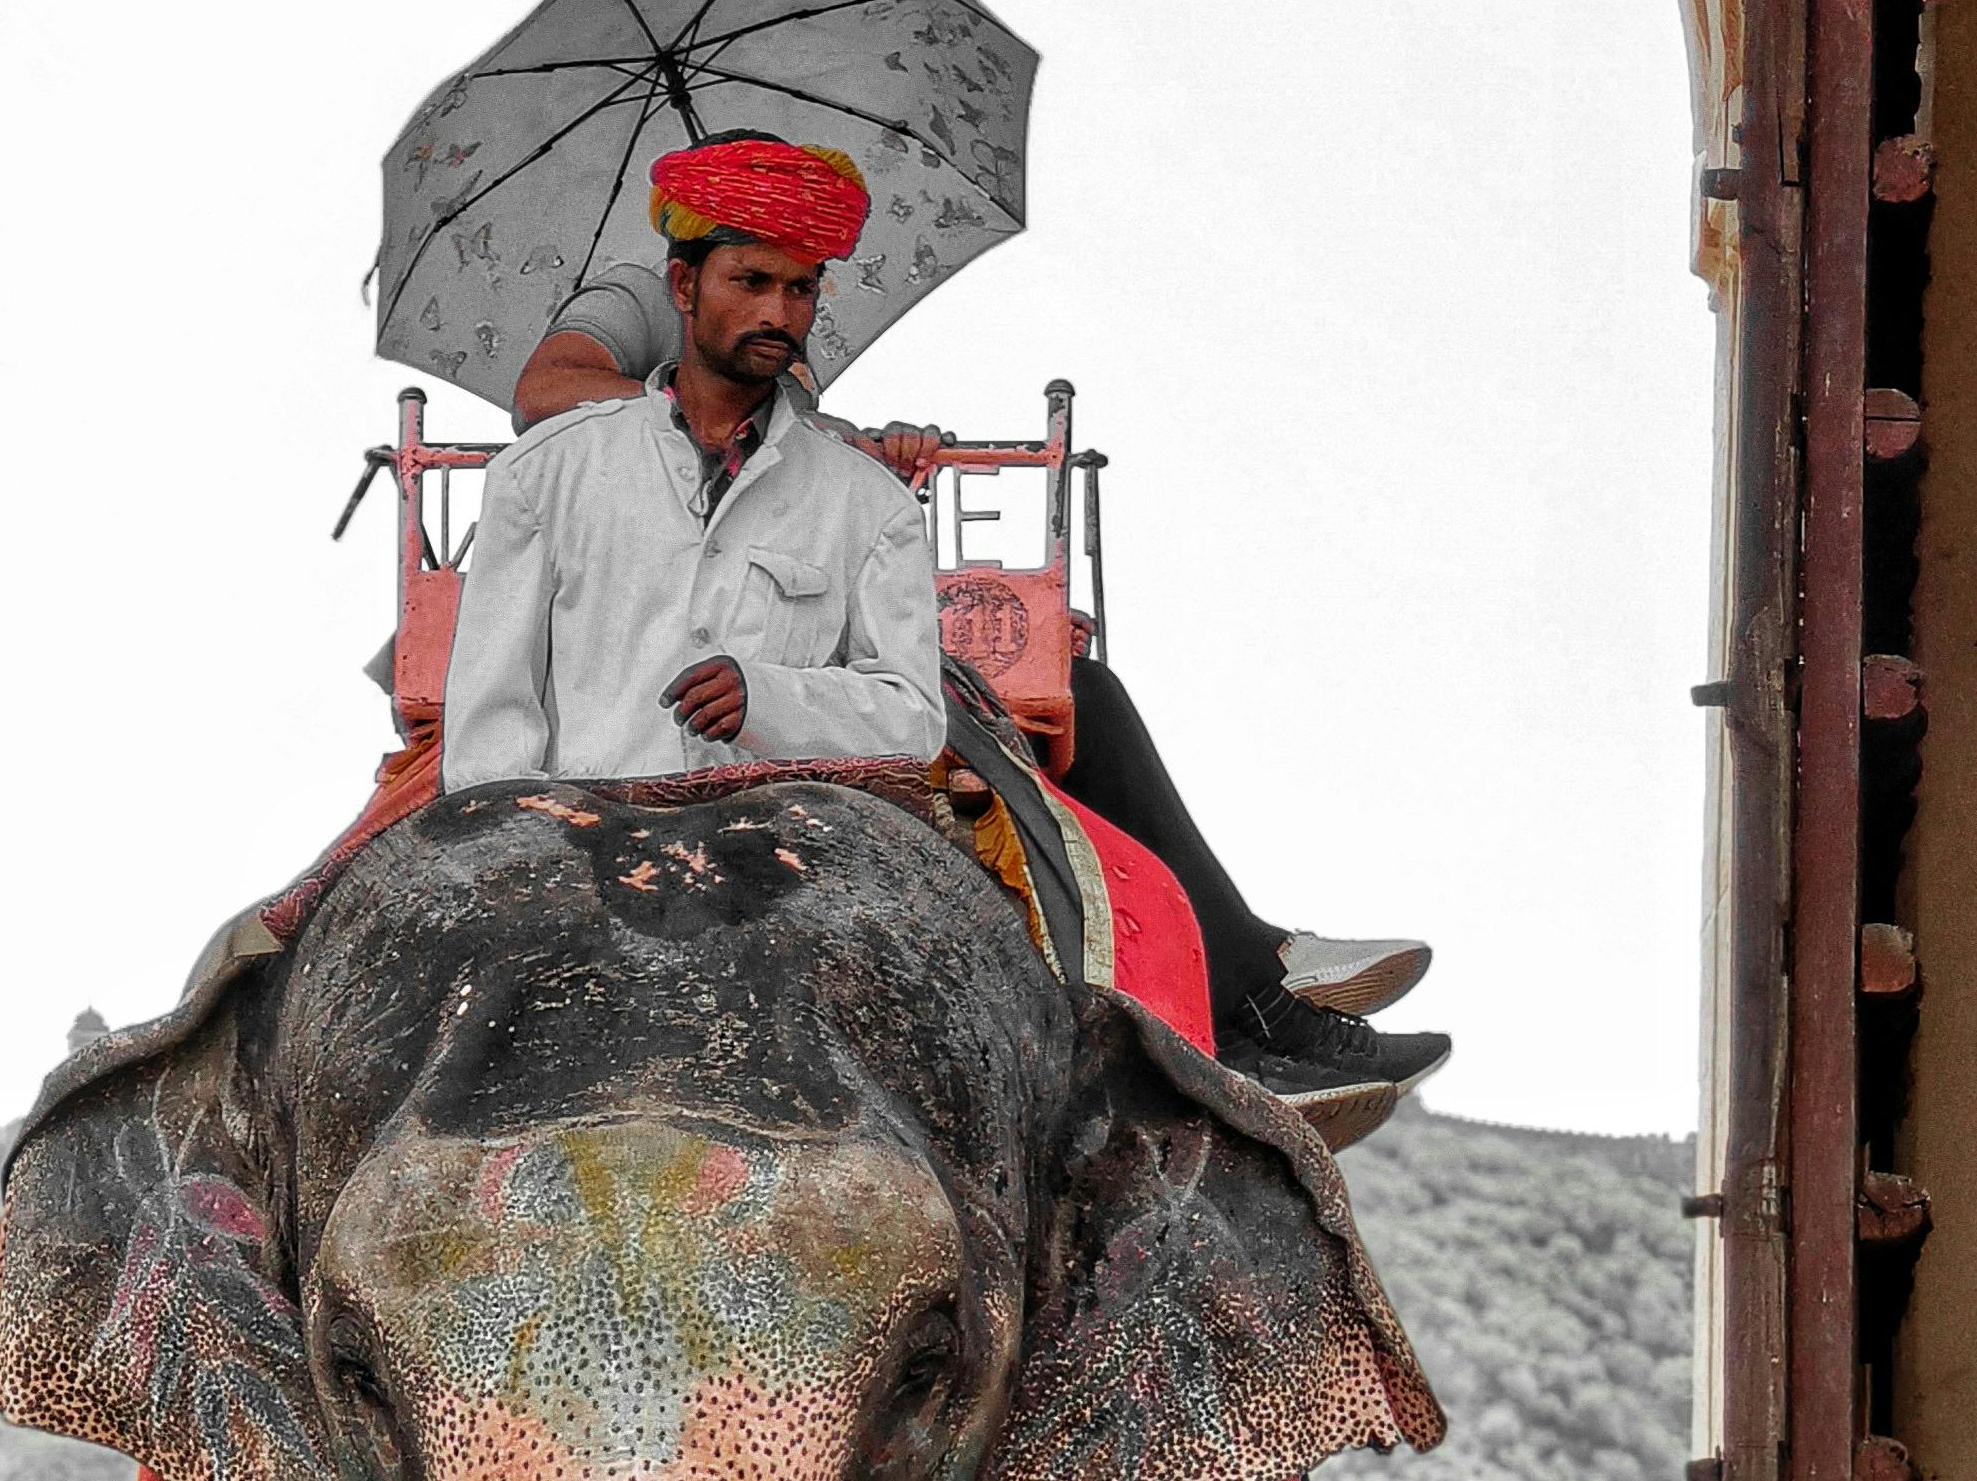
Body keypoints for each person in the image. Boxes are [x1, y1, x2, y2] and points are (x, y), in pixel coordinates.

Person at [509, 261, 1450, 1117]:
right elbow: (544, 391)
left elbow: (797, 500)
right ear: (689, 267)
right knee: (993, 749)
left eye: (800, 276)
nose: (786, 292)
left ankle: (1247, 984)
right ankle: (1246, 1006)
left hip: (789, 638)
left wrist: (864, 459)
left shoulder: (772, 338)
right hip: (672, 653)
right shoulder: (641, 301)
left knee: (1073, 699)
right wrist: (745, 421)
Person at [441, 137, 945, 789]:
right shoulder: (542, 475)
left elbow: (914, 722)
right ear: (683, 285)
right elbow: (489, 743)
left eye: (800, 288)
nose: (777, 313)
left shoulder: (872, 506)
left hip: (787, 841)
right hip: (587, 841)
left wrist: (769, 701)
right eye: (751, 282)